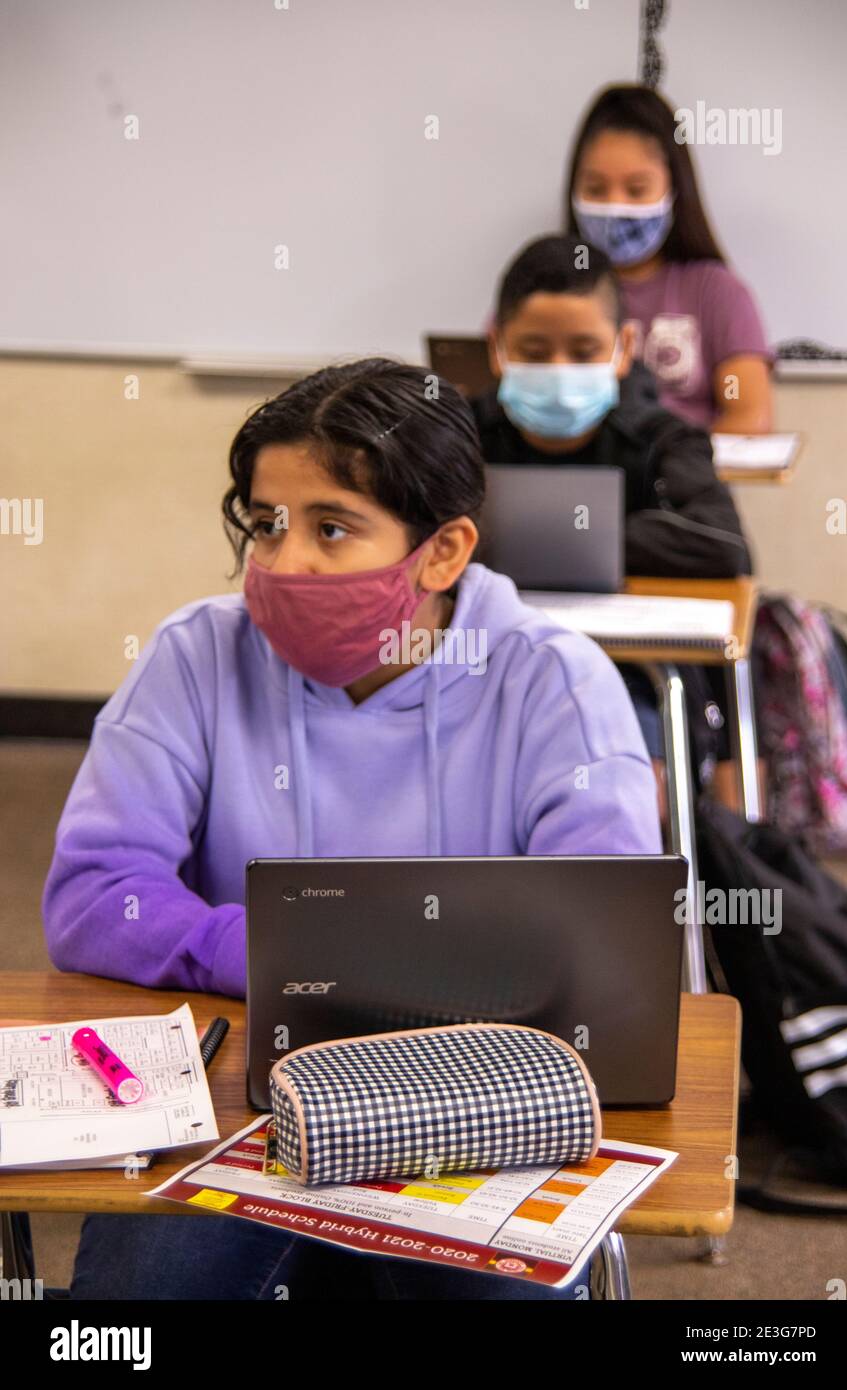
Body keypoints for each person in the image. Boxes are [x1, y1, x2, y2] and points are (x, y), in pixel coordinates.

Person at [43, 358, 661, 1300]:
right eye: (267, 524)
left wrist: (355, 970)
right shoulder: (195, 655)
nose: (285, 562)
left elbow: (607, 936)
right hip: (254, 1101)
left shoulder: (555, 682)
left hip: (480, 1104)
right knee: (146, 1292)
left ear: (444, 552)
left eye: (331, 528)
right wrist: (264, 952)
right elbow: (96, 892)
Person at [471, 234, 752, 785]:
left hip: (627, 677)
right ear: (496, 347)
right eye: (532, 351)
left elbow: (724, 544)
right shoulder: (457, 433)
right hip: (480, 665)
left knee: (632, 786)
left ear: (624, 347)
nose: (558, 369)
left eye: (582, 352)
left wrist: (570, 538)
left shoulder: (663, 439)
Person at [565, 84, 773, 433]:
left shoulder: (717, 291)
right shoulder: (546, 284)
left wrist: (677, 469)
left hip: (682, 483)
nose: (616, 206)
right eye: (596, 189)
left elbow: (750, 418)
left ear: (674, 190)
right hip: (574, 484)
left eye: (637, 189)